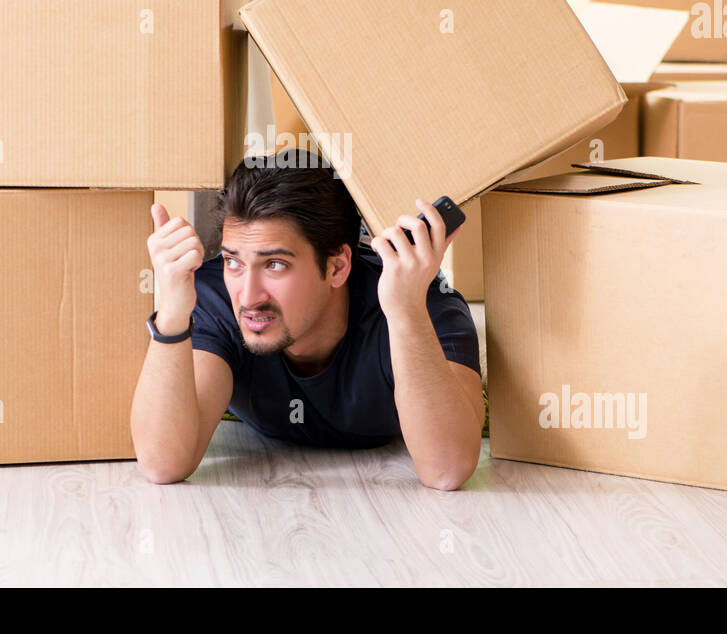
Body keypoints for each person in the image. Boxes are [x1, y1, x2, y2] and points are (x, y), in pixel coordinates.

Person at [130, 148, 484, 490]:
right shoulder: (215, 298)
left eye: (275, 265)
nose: (249, 297)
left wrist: (406, 312)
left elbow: (446, 470)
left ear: (336, 267)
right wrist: (173, 311)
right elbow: (163, 464)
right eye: (233, 261)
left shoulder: (426, 306)